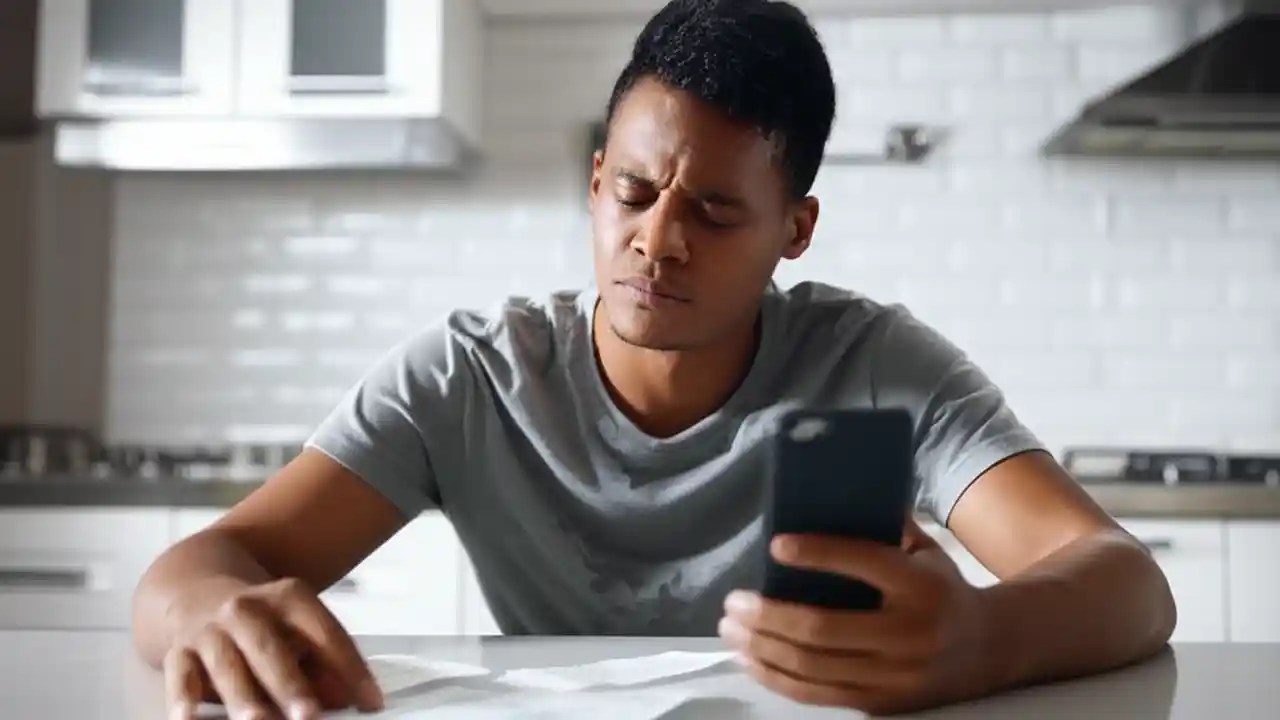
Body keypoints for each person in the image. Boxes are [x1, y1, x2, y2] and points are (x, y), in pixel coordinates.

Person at [133, 1, 1177, 718]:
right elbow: (196, 568)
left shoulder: (877, 363)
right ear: (595, 184)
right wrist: (219, 613)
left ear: (794, 229)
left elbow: (1124, 582)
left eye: (716, 211)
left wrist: (978, 642)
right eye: (632, 194)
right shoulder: (468, 377)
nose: (657, 240)